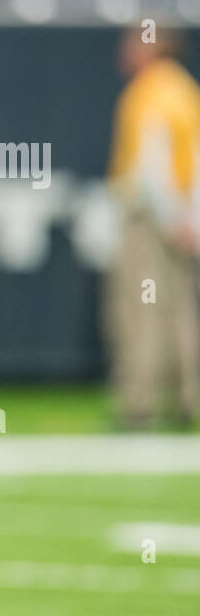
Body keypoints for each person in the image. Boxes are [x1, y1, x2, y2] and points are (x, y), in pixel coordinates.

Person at [103, 27, 200, 429]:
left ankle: (138, 403)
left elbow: (153, 163)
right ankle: (188, 399)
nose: (125, 50)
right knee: (180, 308)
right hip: (179, 217)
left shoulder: (150, 92)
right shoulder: (184, 89)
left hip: (151, 217)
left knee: (140, 307)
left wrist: (173, 217)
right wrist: (191, 217)